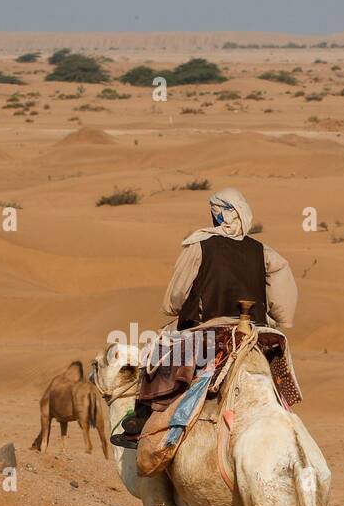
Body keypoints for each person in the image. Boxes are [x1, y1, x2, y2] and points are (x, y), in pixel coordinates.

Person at [111, 187, 298, 448]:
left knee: (158, 350)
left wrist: (175, 307)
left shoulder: (200, 245)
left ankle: (140, 423)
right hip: (254, 329)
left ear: (220, 216)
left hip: (208, 329)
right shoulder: (262, 251)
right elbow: (282, 277)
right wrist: (280, 317)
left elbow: (178, 292)